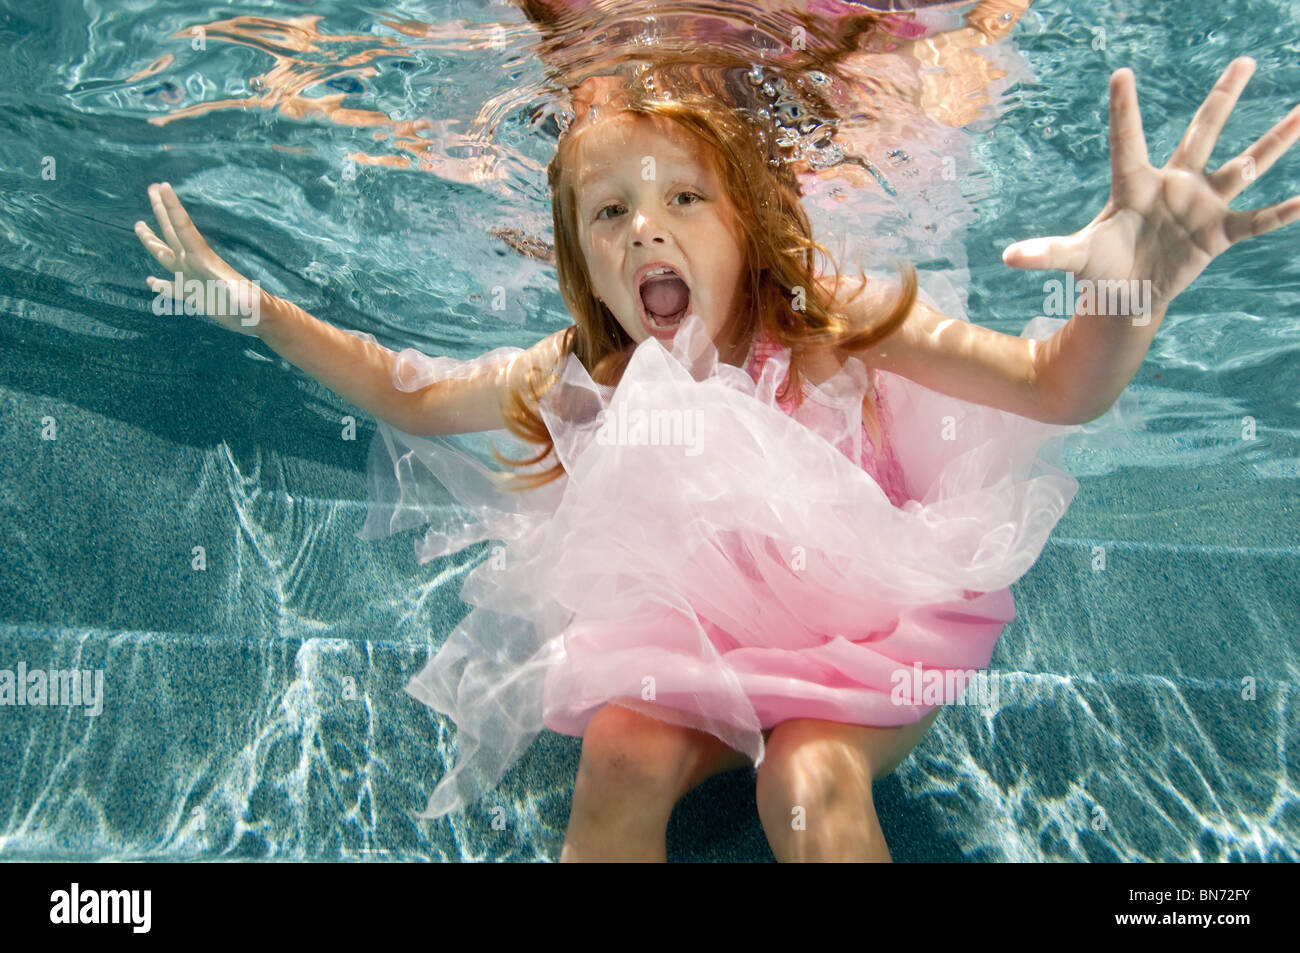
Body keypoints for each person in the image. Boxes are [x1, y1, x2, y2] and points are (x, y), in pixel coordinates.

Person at [133, 54, 1299, 862]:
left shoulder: (832, 320)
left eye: (685, 195)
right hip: (690, 633)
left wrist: (1127, 287)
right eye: (609, 214)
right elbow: (408, 389)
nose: (646, 227)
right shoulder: (576, 369)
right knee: (619, 757)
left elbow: (1059, 383)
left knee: (808, 781)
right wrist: (253, 309)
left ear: (744, 220)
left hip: (871, 625)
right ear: (580, 262)